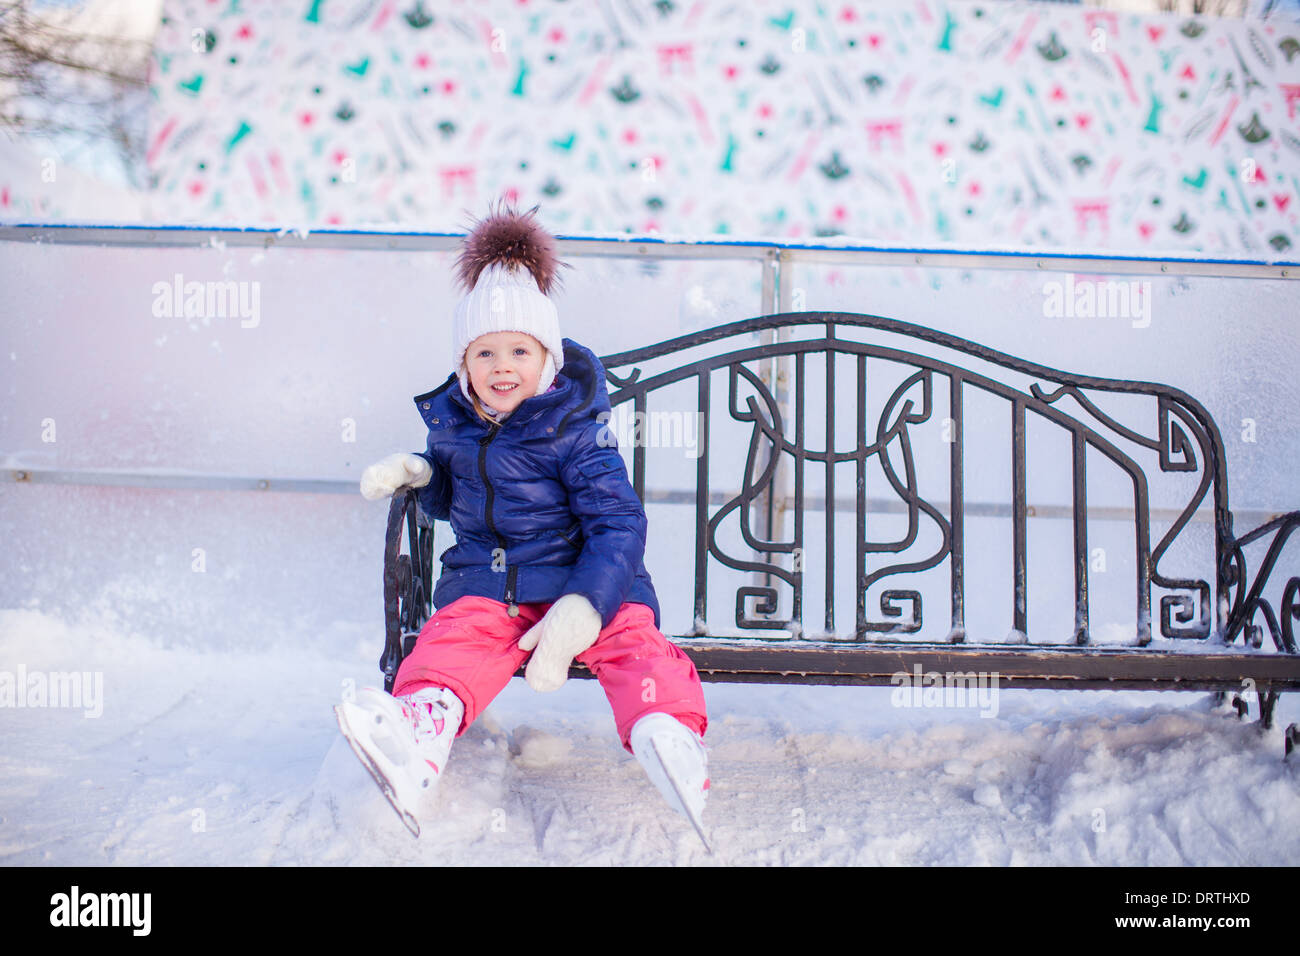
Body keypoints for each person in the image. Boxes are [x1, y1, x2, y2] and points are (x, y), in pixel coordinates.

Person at [338, 202, 710, 842]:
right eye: (484, 352)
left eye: (518, 350)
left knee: (633, 643)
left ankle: (667, 731)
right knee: (453, 638)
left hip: (582, 582)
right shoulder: (458, 427)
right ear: (465, 366)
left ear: (548, 360)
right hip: (491, 585)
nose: (501, 366)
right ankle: (421, 729)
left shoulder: (577, 432)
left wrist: (587, 604)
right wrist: (425, 474)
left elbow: (619, 522)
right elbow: (458, 499)